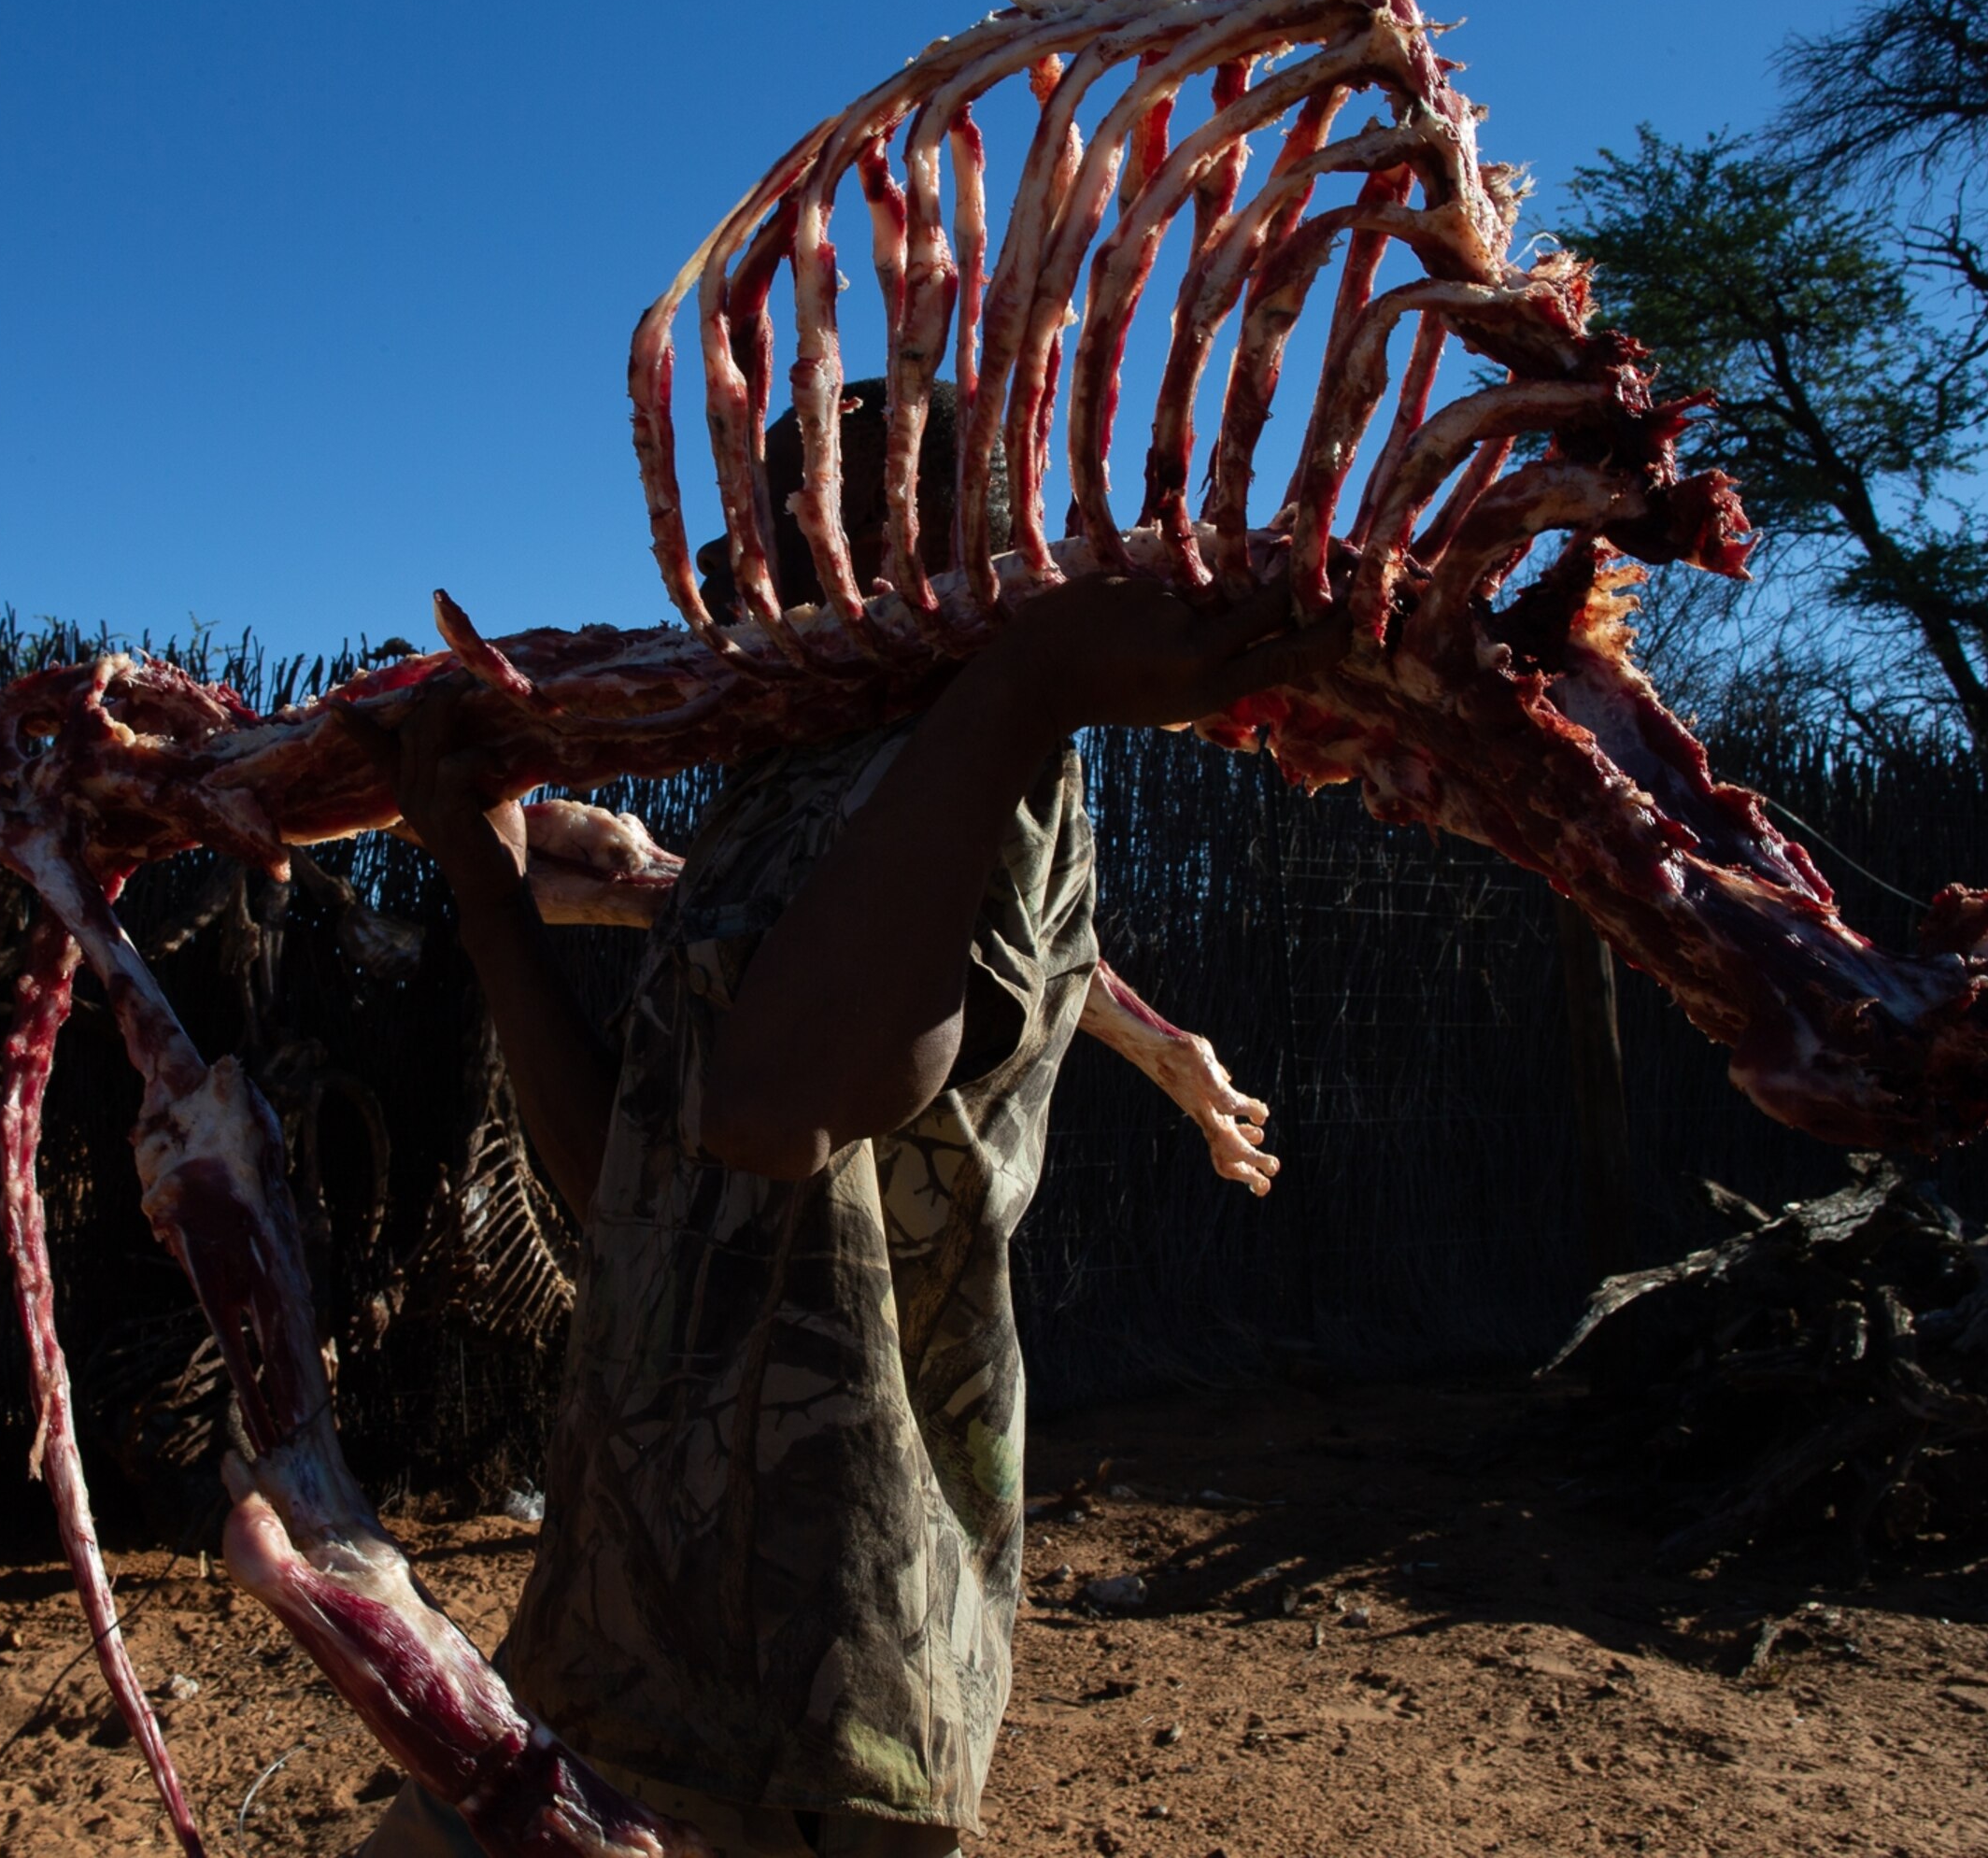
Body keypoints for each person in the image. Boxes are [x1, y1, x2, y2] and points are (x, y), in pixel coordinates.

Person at [340, 385, 1339, 1858]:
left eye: (879, 495)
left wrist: (1026, 684)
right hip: (614, 1637)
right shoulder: (774, 777)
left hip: (817, 1704)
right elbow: (636, 1175)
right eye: (799, 492)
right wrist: (488, 896)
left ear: (983, 542)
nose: (817, 532)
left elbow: (775, 1112)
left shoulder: (998, 780)